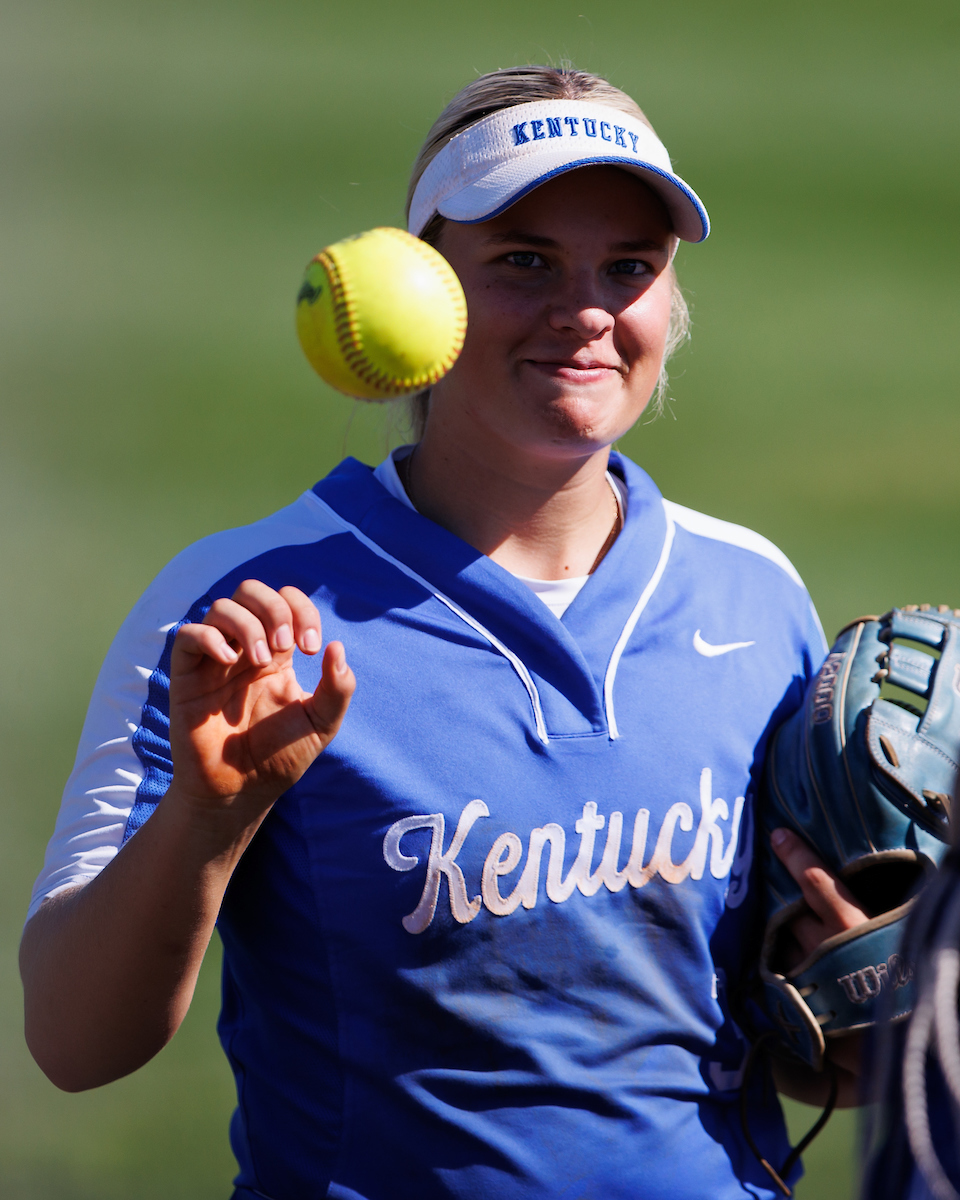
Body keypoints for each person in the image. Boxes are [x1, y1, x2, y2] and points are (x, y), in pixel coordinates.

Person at [21, 65, 869, 1199]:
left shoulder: (752, 595)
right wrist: (208, 821)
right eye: (525, 261)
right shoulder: (243, 611)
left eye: (629, 268)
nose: (585, 309)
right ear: (423, 288)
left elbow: (808, 1054)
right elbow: (75, 1044)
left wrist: (856, 984)